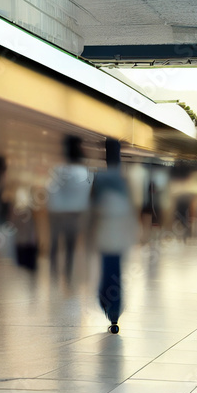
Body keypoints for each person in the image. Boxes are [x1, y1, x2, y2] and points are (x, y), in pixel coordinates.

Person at [91, 138, 136, 333]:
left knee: (106, 270)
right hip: (119, 235)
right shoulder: (125, 180)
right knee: (115, 272)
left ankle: (107, 305)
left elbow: (92, 206)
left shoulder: (99, 178)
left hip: (104, 234)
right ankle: (114, 313)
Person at [47, 135, 92, 277]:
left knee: (55, 243)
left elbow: (51, 190)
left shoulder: (60, 170)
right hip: (75, 213)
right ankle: (67, 272)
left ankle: (53, 271)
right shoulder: (84, 172)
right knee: (70, 245)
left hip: (58, 212)